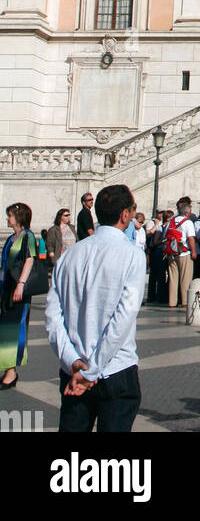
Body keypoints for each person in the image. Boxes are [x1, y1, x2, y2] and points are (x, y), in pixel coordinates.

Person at [45, 184, 147, 433]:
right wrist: (93, 370)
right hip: (115, 369)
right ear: (124, 214)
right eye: (132, 209)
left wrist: (72, 360)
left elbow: (52, 317)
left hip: (74, 369)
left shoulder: (69, 256)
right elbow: (123, 318)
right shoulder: (132, 255)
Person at [1, 203, 37, 390]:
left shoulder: (28, 236)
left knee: (15, 330)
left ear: (19, 216)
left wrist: (20, 285)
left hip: (18, 290)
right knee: (5, 330)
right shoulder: (11, 238)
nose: (7, 218)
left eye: (10, 215)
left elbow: (30, 259)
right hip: (6, 288)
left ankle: (11, 372)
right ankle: (7, 368)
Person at [164, 197, 197, 311]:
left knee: (173, 278)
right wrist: (194, 252)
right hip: (184, 253)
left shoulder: (171, 221)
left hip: (171, 253)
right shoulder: (188, 222)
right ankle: (184, 302)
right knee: (185, 278)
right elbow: (191, 239)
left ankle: (172, 302)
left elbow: (165, 235)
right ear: (187, 213)